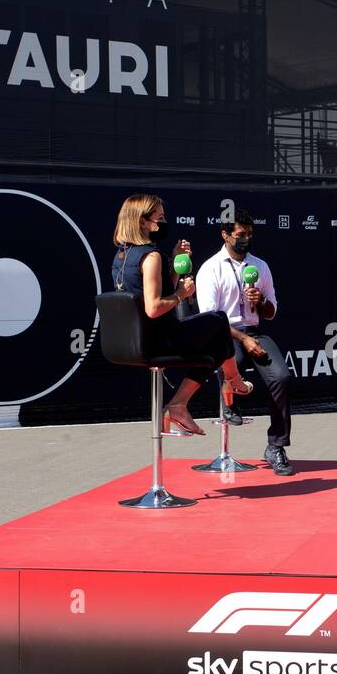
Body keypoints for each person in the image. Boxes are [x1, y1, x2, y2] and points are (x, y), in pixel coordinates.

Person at [110, 194, 251, 436]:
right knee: (218, 320)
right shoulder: (151, 256)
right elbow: (153, 307)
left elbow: (149, 292)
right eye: (160, 218)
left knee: (214, 352)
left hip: (131, 342)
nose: (164, 222)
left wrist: (174, 264)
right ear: (143, 221)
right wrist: (181, 294)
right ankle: (231, 382)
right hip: (158, 340)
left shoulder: (122, 256)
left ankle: (183, 403)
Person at [196, 209, 295, 476]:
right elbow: (210, 318)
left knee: (281, 377)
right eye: (240, 235)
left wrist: (259, 302)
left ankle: (276, 447)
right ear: (225, 235)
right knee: (234, 360)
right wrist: (243, 340)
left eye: (250, 234)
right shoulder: (210, 268)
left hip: (254, 331)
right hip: (223, 333)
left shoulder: (260, 266)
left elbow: (272, 311)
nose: (246, 239)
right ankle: (230, 403)